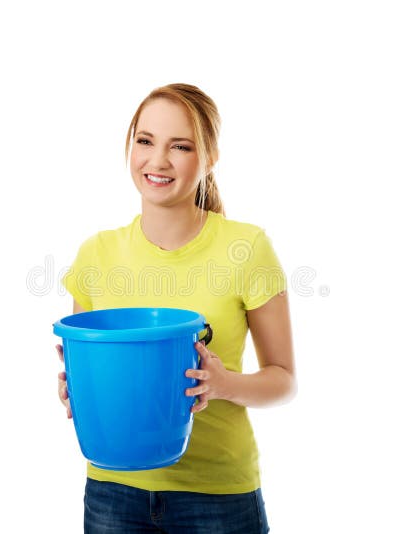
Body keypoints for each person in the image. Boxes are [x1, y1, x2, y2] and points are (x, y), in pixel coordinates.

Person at [56, 83, 296, 533]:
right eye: (144, 141)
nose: (157, 160)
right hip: (113, 490)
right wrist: (79, 386)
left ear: (209, 158)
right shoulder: (96, 254)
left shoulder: (247, 248)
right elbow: (85, 361)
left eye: (180, 146)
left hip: (218, 495)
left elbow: (283, 380)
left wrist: (223, 385)